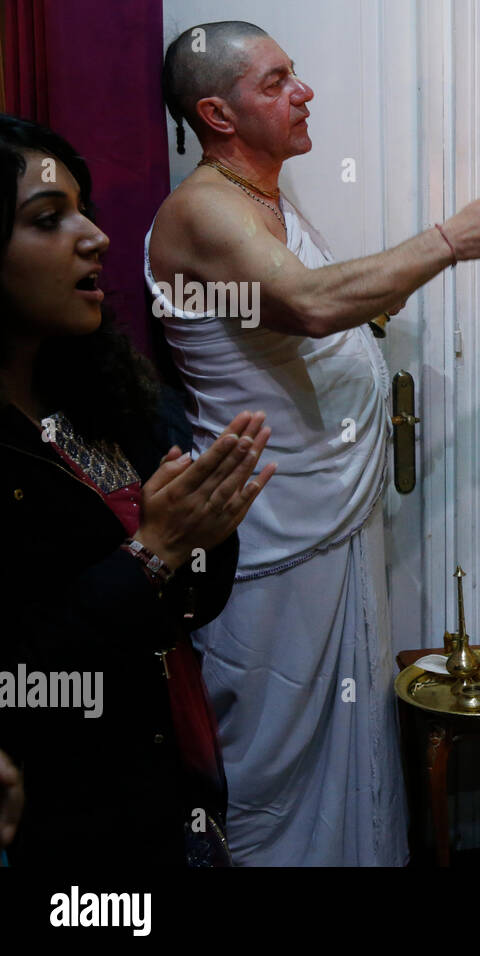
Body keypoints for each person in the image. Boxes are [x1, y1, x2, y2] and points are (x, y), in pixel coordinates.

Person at [148, 21, 480, 865]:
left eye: (296, 75)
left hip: (332, 520)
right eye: (277, 82)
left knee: (348, 748)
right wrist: (446, 242)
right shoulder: (200, 210)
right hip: (269, 530)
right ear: (218, 112)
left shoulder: (263, 198)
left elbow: (296, 321)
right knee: (274, 763)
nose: (303, 92)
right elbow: (312, 304)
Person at [0, 115, 273, 864]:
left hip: (168, 777)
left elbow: (195, 599)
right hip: (66, 819)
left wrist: (202, 534)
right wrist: (152, 550)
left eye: (84, 209)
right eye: (49, 220)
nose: (96, 236)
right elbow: (21, 675)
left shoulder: (112, 395)